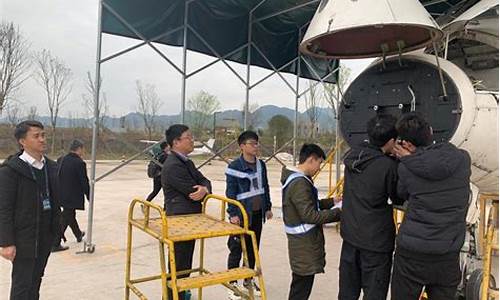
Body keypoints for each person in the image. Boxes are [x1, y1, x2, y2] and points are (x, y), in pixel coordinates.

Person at [391, 112, 471, 299]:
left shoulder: (406, 167)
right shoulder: (462, 159)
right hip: (448, 252)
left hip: (413, 253)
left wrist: (407, 159)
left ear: (408, 144)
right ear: (431, 132)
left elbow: (401, 194)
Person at [338, 114, 403, 300]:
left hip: (350, 238)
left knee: (347, 292)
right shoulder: (388, 166)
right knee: (374, 293)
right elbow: (397, 197)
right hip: (376, 243)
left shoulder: (353, 157)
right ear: (391, 141)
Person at [0, 120, 64, 299]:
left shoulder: (50, 167)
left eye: (43, 135)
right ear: (22, 141)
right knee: (22, 284)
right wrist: (6, 242)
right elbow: (4, 209)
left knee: (36, 280)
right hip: (23, 239)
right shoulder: (10, 171)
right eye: (36, 136)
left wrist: (56, 231)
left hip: (44, 236)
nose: (42, 139)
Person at [281, 144, 342, 300]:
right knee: (301, 288)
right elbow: (310, 215)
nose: (319, 168)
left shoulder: (297, 179)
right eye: (319, 163)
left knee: (300, 285)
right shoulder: (299, 183)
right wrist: (339, 212)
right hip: (304, 245)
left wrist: (331, 201)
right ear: (310, 160)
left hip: (302, 244)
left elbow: (309, 203)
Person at [161, 124, 212, 299]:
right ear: (176, 142)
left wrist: (204, 189)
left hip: (189, 220)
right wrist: (202, 190)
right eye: (188, 137)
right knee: (177, 267)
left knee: (184, 266)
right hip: (179, 221)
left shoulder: (186, 162)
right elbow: (192, 191)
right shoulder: (173, 165)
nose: (192, 140)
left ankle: (179, 295)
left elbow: (204, 181)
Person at [225, 130, 273, 299]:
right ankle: (232, 283)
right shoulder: (234, 167)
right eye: (252, 143)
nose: (255, 146)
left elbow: (265, 187)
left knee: (253, 248)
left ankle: (248, 279)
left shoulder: (261, 165)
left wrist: (268, 207)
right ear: (242, 146)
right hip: (241, 215)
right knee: (236, 248)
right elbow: (230, 193)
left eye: (256, 143)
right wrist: (233, 214)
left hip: (257, 214)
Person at [54, 139, 89, 250]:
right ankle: (55, 242)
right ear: (79, 149)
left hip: (60, 193)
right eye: (82, 149)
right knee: (65, 217)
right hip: (72, 195)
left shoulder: (61, 159)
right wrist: (89, 195)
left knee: (70, 215)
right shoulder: (79, 163)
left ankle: (78, 234)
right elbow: (84, 182)